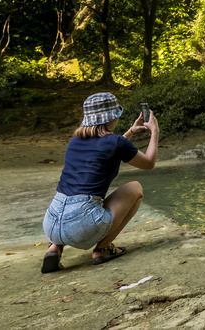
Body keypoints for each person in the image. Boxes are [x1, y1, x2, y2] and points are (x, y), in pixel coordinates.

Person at [40, 92, 159, 273]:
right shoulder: (116, 142)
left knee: (71, 198)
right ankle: (103, 249)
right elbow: (148, 163)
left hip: (51, 223)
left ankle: (54, 248)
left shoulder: (75, 141)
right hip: (81, 224)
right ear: (111, 118)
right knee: (135, 188)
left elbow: (108, 149)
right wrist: (155, 131)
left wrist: (131, 132)